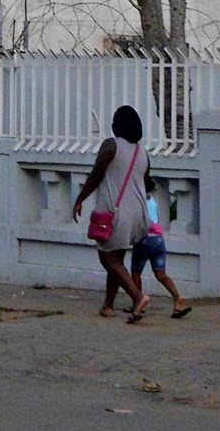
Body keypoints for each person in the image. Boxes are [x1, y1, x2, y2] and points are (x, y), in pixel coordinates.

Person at [72, 104, 151, 322]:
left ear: (119, 124)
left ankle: (138, 297)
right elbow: (147, 181)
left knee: (108, 258)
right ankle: (108, 305)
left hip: (116, 213)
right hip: (138, 213)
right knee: (117, 259)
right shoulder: (141, 152)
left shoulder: (111, 145)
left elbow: (96, 175)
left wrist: (79, 199)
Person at [129, 175, 191, 319]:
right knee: (161, 275)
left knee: (136, 272)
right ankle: (177, 298)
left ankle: (138, 302)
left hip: (145, 239)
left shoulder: (138, 201)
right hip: (158, 239)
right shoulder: (152, 201)